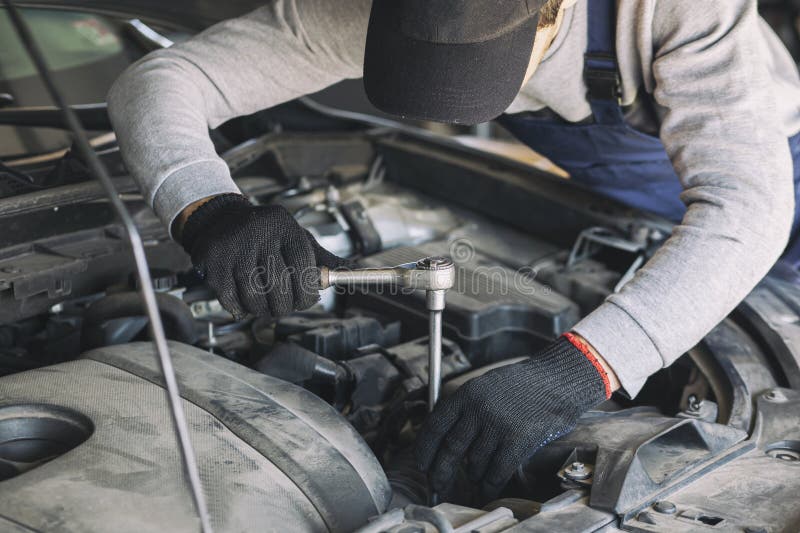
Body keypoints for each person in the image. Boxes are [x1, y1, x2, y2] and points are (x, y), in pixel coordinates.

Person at [107, 0, 800, 500]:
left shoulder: (675, 11)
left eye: (474, 66)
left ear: (554, 12)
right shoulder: (363, 10)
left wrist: (580, 369)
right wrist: (209, 208)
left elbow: (747, 209)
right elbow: (163, 78)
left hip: (771, 168)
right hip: (623, 192)